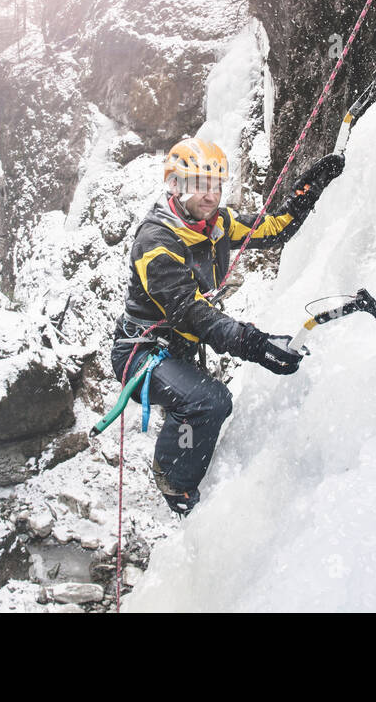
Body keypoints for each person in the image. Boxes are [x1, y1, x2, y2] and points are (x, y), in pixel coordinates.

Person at [109, 137, 345, 515]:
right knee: (208, 401)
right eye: (201, 184)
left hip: (179, 349)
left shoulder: (217, 224)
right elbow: (191, 312)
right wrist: (255, 344)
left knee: (201, 403)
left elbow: (274, 230)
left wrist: (310, 187)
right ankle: (174, 482)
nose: (211, 194)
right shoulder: (156, 242)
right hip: (141, 353)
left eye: (216, 185)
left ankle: (183, 452)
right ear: (176, 185)